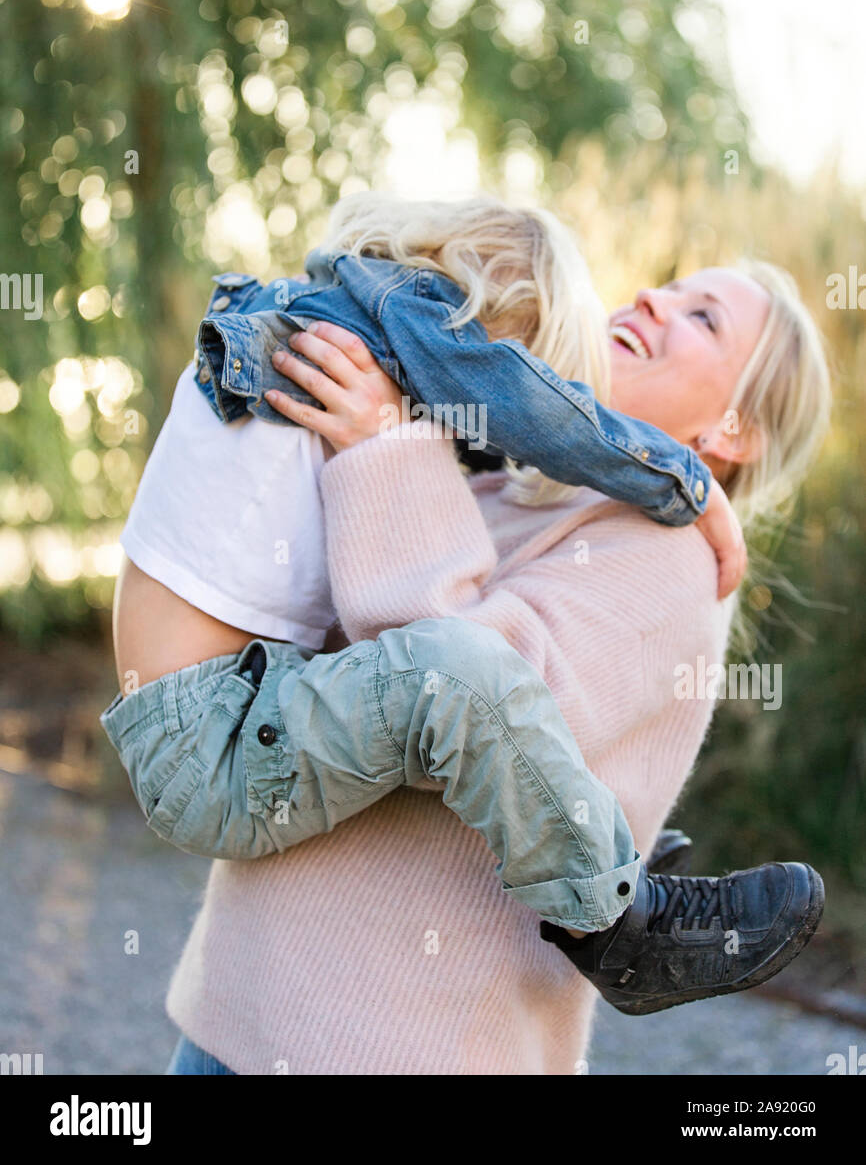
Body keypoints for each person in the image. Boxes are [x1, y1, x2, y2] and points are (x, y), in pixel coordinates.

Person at [105, 200, 830, 1071]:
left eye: (700, 317)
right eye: (665, 288)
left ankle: (617, 917)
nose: (648, 303)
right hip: (248, 1021)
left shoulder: (667, 556)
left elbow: (475, 692)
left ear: (732, 432)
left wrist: (383, 447)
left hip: (388, 1047)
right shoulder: (507, 480)